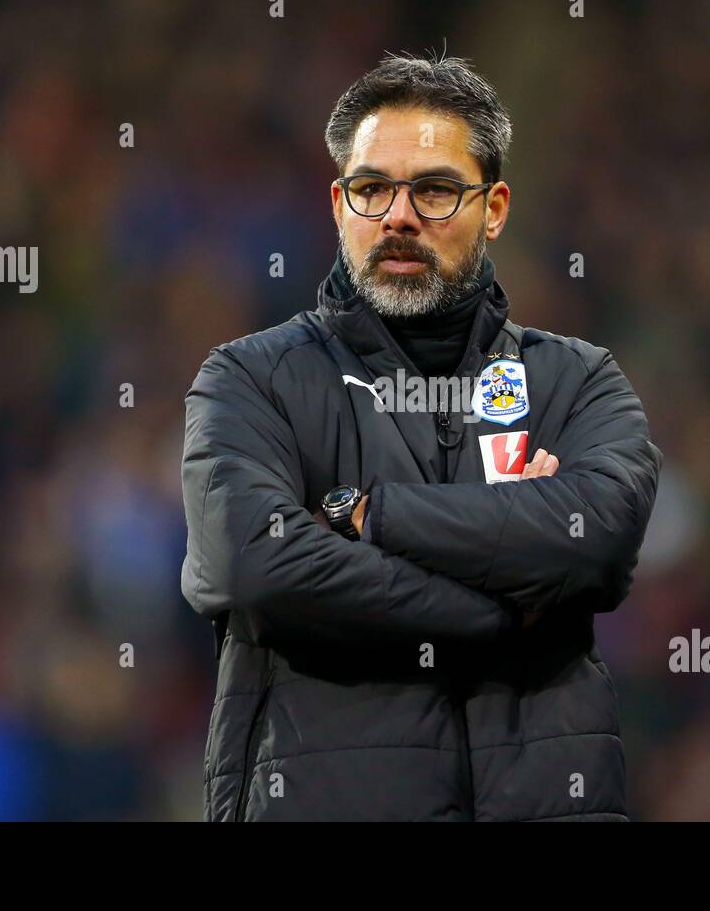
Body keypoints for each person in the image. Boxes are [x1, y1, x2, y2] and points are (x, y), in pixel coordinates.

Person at [180, 53, 662, 821]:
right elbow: (252, 562)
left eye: (435, 189)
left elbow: (596, 540)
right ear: (339, 205)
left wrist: (371, 517)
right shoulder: (250, 380)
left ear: (495, 207)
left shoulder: (577, 381)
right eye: (371, 188)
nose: (398, 215)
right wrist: (503, 601)